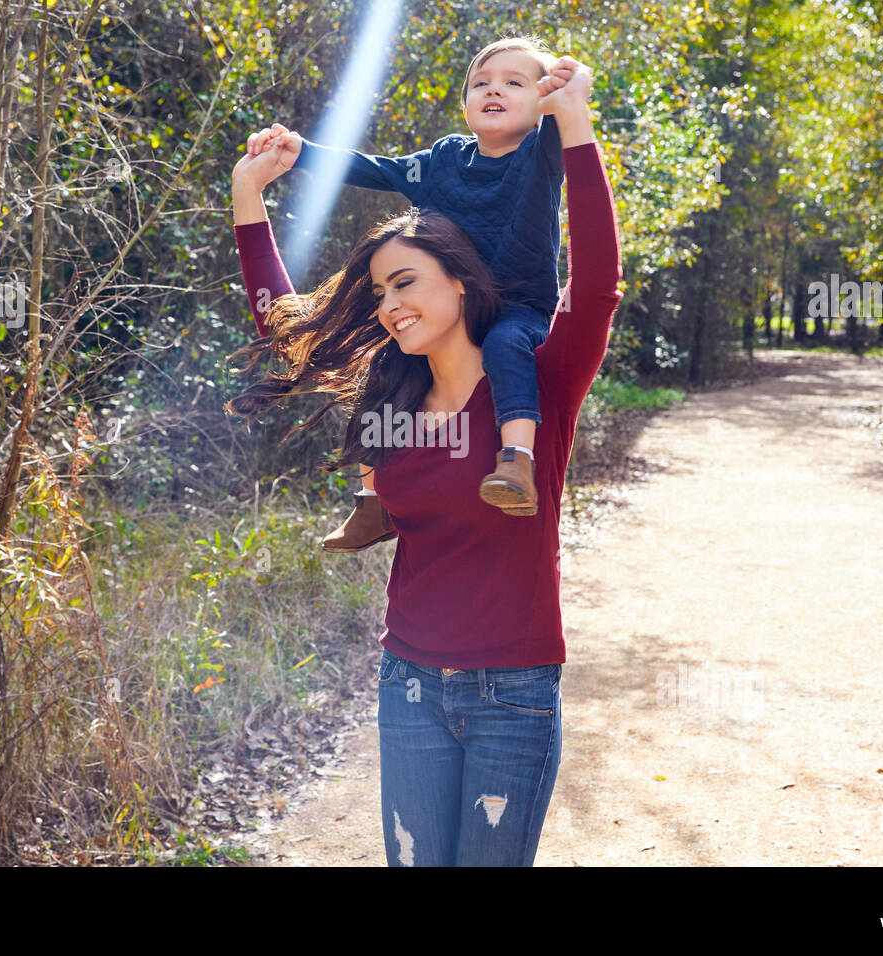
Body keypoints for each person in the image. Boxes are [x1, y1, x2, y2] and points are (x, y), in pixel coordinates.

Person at [225, 55, 621, 866]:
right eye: (377, 291)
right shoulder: (391, 387)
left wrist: (574, 126)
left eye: (404, 281)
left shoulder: (543, 380)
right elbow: (286, 329)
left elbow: (599, 277)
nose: (388, 303)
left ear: (458, 280)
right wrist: (248, 196)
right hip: (408, 682)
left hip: (514, 689)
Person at [246, 35, 567, 551]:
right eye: (481, 83)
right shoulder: (443, 163)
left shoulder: (540, 156)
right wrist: (302, 152)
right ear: (464, 105)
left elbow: (564, 127)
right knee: (385, 369)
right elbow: (379, 169)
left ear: (541, 103)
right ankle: (372, 502)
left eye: (514, 82)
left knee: (507, 347)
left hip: (517, 308)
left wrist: (568, 94)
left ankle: (517, 464)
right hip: (450, 309)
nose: (494, 89)